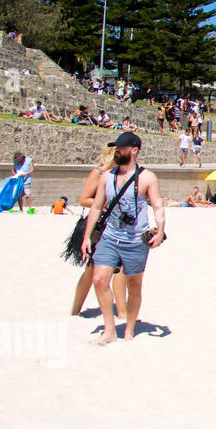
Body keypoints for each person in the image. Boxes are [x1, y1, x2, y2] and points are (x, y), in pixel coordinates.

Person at [80, 132, 166, 343]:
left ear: (134, 150)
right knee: (99, 279)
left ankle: (129, 329)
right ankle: (109, 330)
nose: (117, 151)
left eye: (121, 148)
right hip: (109, 237)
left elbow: (157, 205)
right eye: (116, 147)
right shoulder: (106, 177)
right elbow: (97, 207)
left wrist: (161, 229)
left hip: (136, 239)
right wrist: (86, 237)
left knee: (134, 285)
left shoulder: (147, 178)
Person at [71, 144, 127, 318]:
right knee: (91, 269)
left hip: (116, 225)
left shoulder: (120, 175)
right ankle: (75, 310)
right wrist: (104, 204)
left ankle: (123, 312)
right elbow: (84, 199)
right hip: (99, 225)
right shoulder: (99, 173)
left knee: (121, 267)